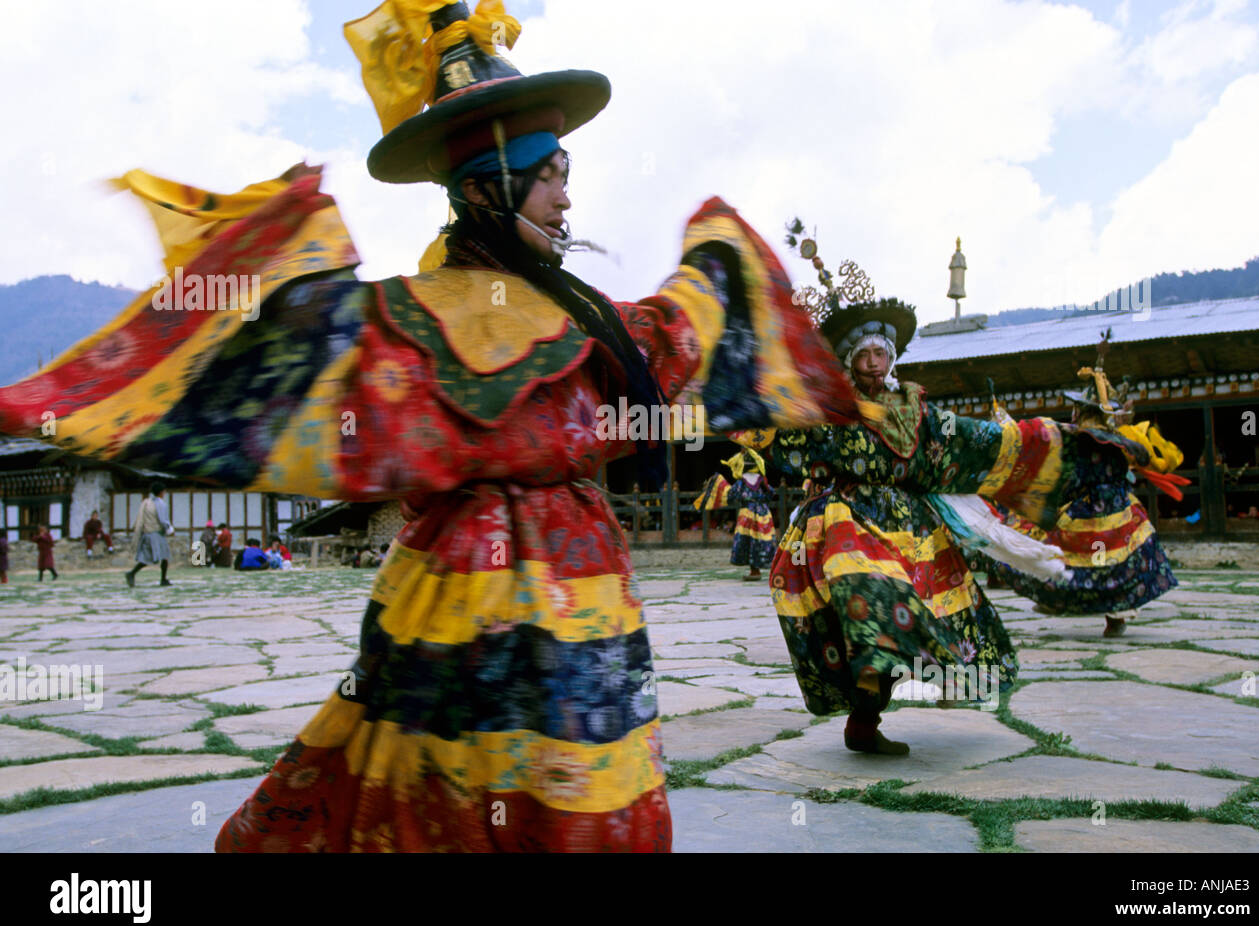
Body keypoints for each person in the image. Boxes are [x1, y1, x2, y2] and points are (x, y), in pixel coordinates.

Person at [0, 2, 856, 853]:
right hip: (461, 607)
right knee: (454, 810)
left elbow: (676, 347)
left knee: (598, 811)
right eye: (550, 175)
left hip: (590, 603)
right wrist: (281, 261)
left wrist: (722, 267)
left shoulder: (583, 315)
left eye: (566, 172)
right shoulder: (413, 321)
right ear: (491, 184)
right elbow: (306, 363)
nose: (567, 197)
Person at [767, 241, 1149, 755]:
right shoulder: (831, 409)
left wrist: (1051, 442)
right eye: (864, 355)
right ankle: (863, 715)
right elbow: (782, 437)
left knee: (919, 618)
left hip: (911, 525)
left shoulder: (916, 412)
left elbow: (972, 442)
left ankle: (868, 718)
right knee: (872, 603)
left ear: (892, 356)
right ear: (850, 361)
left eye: (882, 352)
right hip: (846, 520)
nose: (875, 362)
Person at [979, 336, 1182, 637]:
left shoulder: (1078, 442)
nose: (1072, 412)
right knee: (1121, 560)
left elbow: (1073, 477)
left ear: (1083, 411)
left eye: (1076, 408)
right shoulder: (1119, 443)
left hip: (1086, 508)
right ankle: (1117, 614)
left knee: (1058, 555)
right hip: (1122, 510)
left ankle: (1057, 599)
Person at [696, 446, 776, 581]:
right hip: (763, 512)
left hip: (747, 513)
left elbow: (732, 495)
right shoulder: (763, 481)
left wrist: (717, 486)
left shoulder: (741, 483)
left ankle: (754, 571)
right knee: (761, 540)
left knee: (748, 541)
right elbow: (770, 494)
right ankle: (765, 569)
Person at [126, 482, 175, 587]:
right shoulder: (160, 504)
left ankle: (162, 579)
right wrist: (169, 528)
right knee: (162, 556)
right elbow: (162, 520)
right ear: (161, 492)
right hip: (156, 534)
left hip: (147, 533)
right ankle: (133, 573)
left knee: (151, 558)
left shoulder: (146, 502)